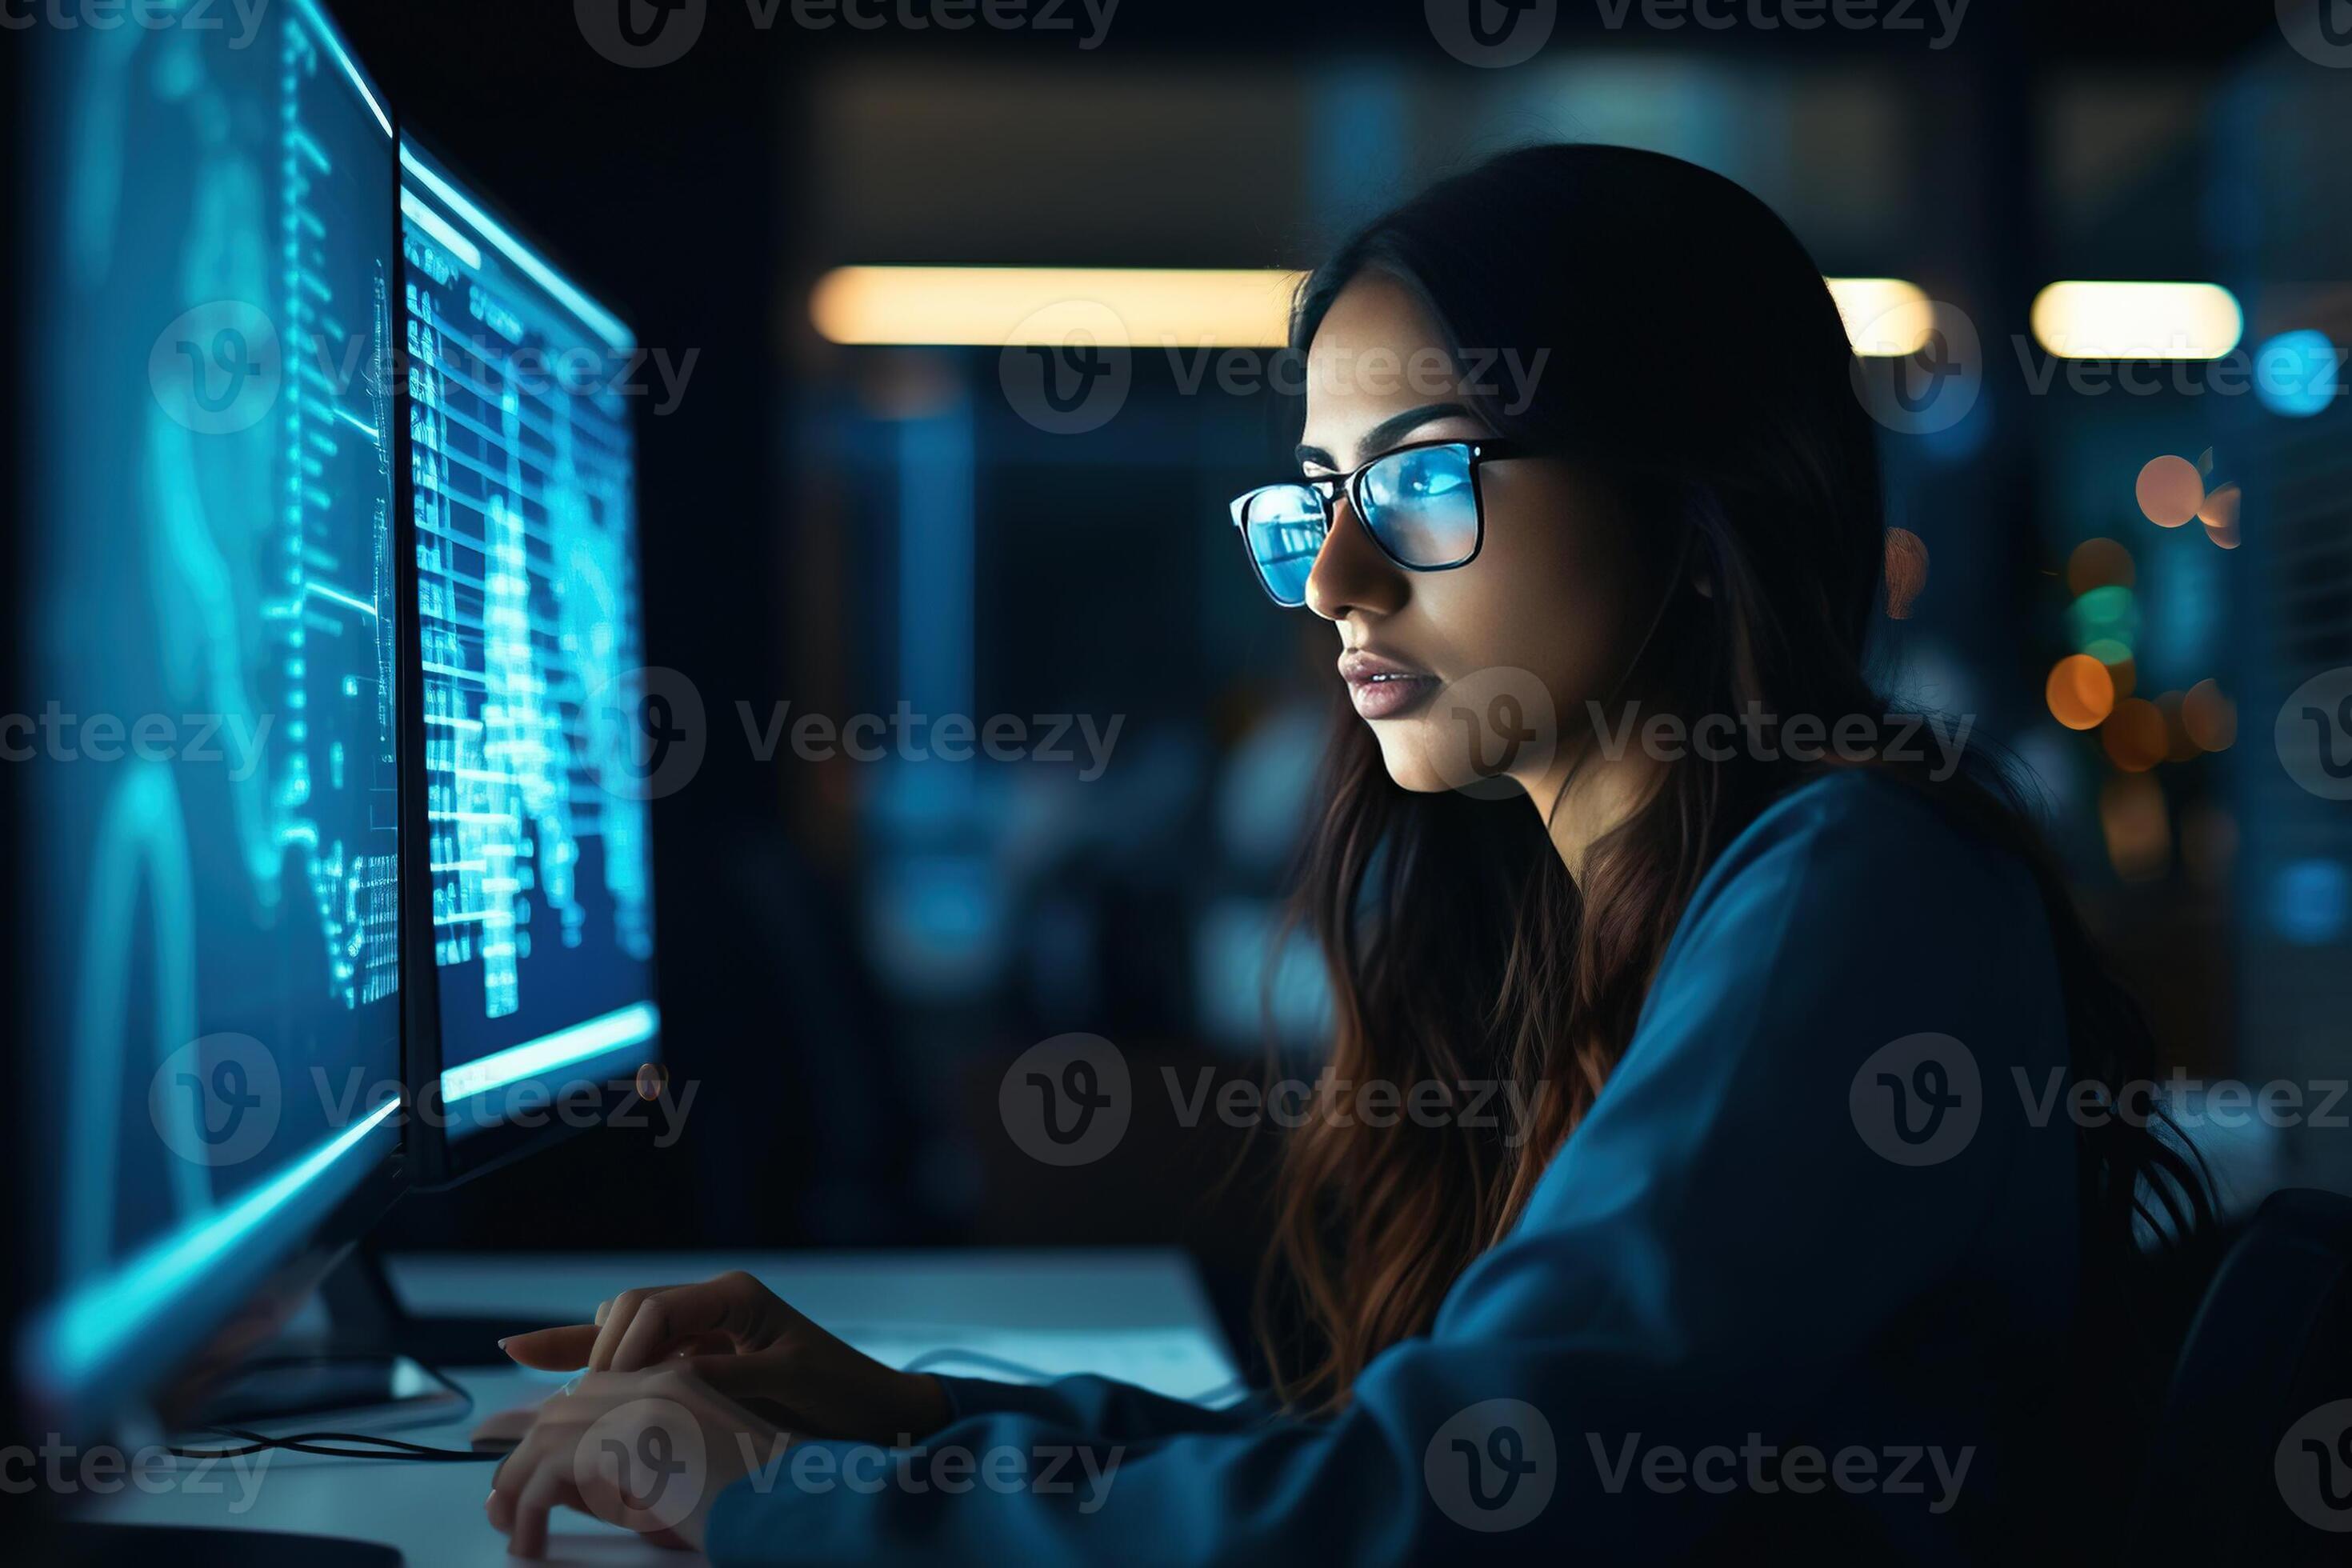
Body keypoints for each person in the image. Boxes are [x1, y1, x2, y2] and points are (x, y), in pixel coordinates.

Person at [481, 144, 2212, 1562]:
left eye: (1426, 481)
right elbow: (1390, 1442)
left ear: (1699, 504)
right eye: (1314, 496)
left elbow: (1437, 1508)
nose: (1332, 583)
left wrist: (792, 1506)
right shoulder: (1632, 901)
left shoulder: (1851, 886)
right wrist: (908, 1417)